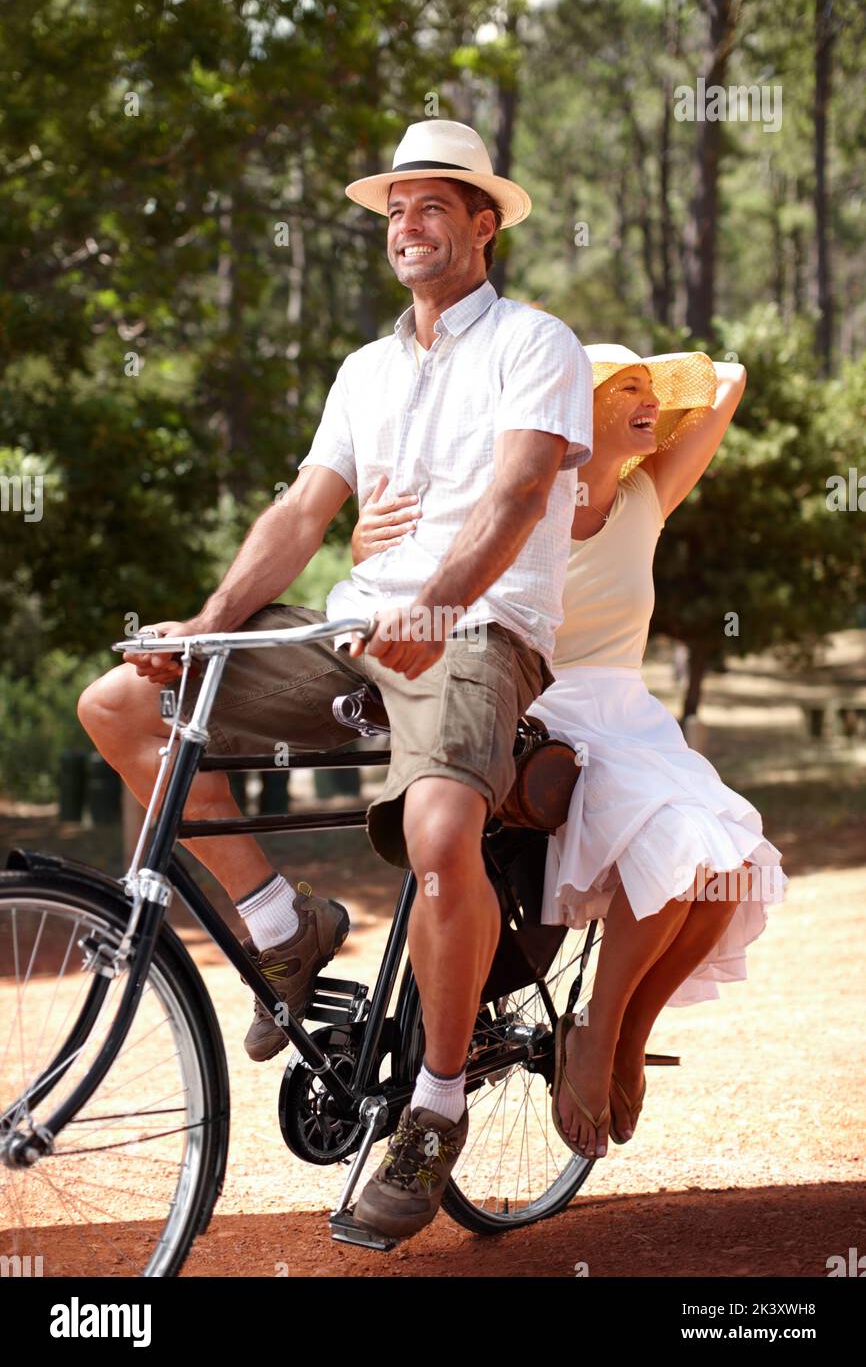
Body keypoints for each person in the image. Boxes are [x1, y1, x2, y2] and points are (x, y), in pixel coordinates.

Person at [77, 118, 593, 1241]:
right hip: (349, 632)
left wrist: (438, 603)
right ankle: (281, 923)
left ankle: (433, 1112)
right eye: (393, 209)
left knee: (440, 826)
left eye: (430, 206)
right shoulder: (364, 369)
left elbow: (512, 502)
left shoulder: (536, 343)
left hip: (478, 634)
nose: (406, 225)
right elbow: (303, 510)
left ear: (482, 223)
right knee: (122, 700)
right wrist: (205, 625)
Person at [351, 343, 786, 1168]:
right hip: (542, 707)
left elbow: (730, 380)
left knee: (730, 869)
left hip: (632, 717)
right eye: (627, 387)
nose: (650, 397)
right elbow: (406, 559)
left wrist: (644, 379)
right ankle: (596, 1035)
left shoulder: (648, 493)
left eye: (652, 388)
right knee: (681, 849)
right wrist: (365, 537)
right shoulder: (518, 501)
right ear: (573, 413)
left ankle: (616, 1031)